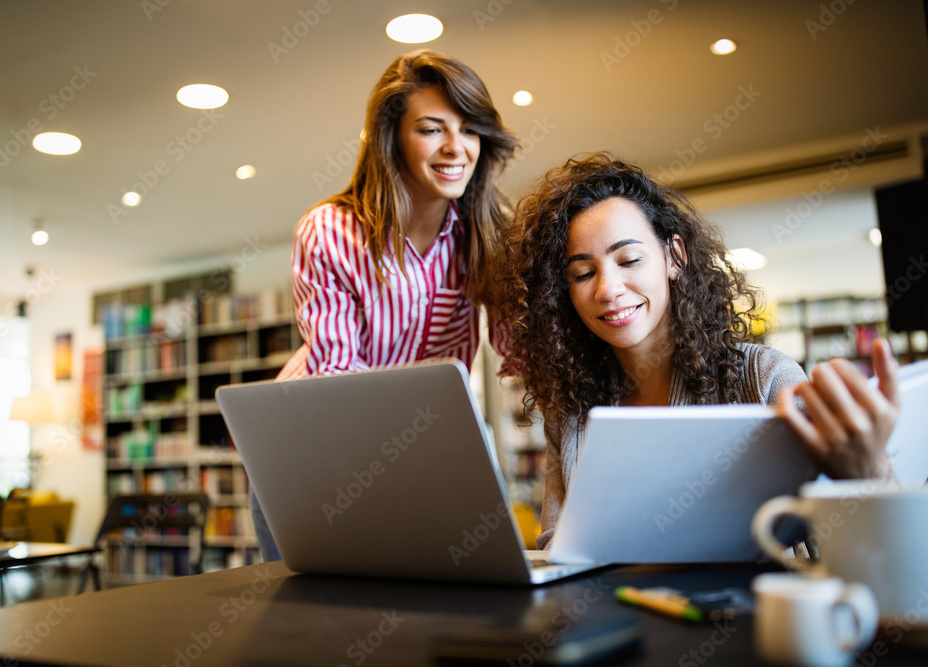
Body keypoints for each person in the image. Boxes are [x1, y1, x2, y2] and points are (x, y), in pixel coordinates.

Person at [499, 152, 901, 549]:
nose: (608, 289)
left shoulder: (763, 378)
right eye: (583, 273)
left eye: (630, 259)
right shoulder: (570, 410)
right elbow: (559, 546)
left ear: (674, 256)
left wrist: (871, 472)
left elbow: (850, 538)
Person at [249, 50, 518, 561]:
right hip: (315, 446)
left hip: (434, 436)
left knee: (476, 586)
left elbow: (517, 347)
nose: (456, 148)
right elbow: (338, 380)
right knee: (317, 620)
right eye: (432, 129)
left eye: (469, 130)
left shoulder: (487, 228)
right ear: (391, 137)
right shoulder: (330, 230)